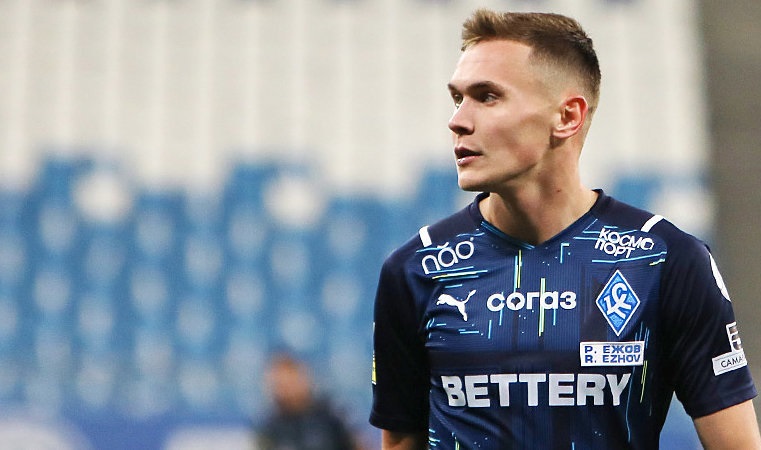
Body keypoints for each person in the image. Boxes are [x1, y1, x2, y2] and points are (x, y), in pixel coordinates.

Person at [369, 8, 761, 450]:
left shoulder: (665, 260)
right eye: (458, 98)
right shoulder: (416, 269)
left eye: (487, 96)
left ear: (567, 117)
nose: (458, 120)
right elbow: (400, 441)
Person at [256, 352, 359, 450]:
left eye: (290, 381)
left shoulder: (330, 414)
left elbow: (356, 443)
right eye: (280, 385)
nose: (286, 390)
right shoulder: (269, 427)